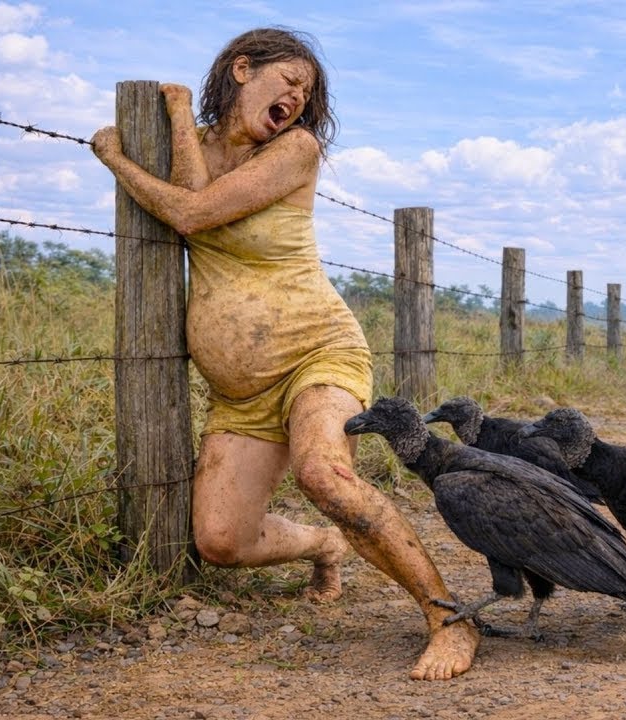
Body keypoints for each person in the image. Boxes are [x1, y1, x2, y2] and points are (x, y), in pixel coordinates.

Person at [91, 27, 478, 681]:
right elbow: (193, 187)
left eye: (307, 92)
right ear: (243, 69)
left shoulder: (297, 151)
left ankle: (450, 619)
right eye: (289, 81)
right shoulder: (202, 148)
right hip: (242, 394)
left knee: (325, 477)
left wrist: (115, 159)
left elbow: (189, 215)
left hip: (315, 355)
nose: (299, 98)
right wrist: (184, 116)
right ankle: (324, 545)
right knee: (220, 540)